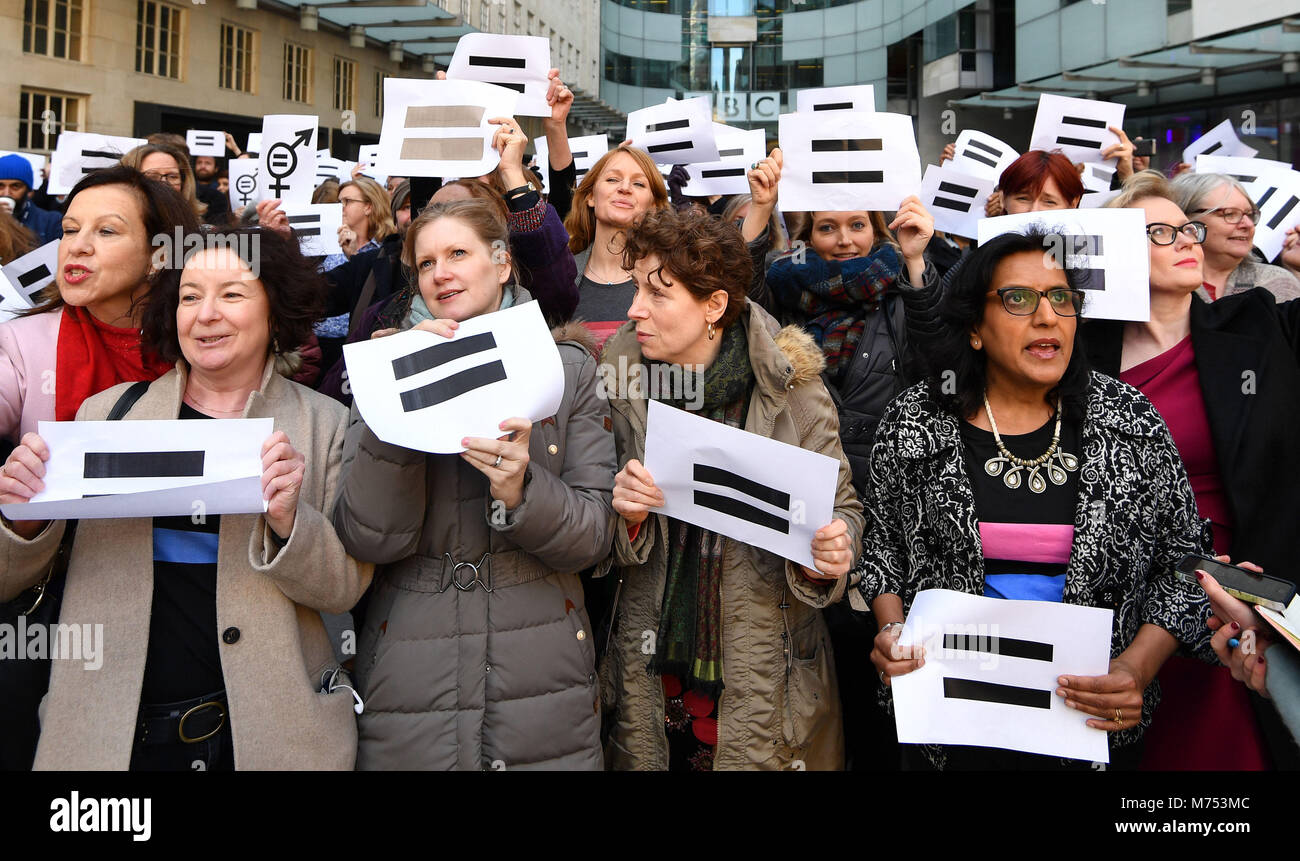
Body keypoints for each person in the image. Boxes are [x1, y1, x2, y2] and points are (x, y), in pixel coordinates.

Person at [0, 225, 370, 769]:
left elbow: (344, 590)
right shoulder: (104, 416)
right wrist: (23, 520)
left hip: (267, 737)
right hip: (112, 737)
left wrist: (291, 522)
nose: (206, 314)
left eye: (233, 294)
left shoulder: (326, 426)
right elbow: (12, 578)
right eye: (190, 296)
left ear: (276, 311)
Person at [856, 228, 1214, 770]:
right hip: (949, 730)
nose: (1046, 317)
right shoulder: (918, 421)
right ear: (975, 328)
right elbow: (883, 552)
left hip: (1089, 727)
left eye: (1061, 299)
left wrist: (1135, 670)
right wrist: (890, 630)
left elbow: (1185, 563)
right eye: (1019, 299)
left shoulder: (1129, 421)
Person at [331, 198, 616, 770]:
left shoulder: (568, 368)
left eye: (458, 253)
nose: (441, 273)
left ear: (503, 263)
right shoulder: (384, 364)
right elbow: (369, 539)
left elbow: (593, 539)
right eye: (426, 262)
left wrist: (523, 493)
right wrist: (397, 399)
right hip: (412, 665)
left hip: (542, 664)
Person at [599, 208, 864, 770]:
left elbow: (842, 510)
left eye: (658, 293)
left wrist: (830, 554)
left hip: (762, 672)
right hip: (652, 672)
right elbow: (587, 528)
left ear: (713, 306)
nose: (634, 309)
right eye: (634, 288)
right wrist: (624, 516)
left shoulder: (792, 386)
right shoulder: (618, 381)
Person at [1085, 171, 1300, 769]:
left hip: (1240, 591)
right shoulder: (1078, 360)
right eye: (1159, 232)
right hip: (1126, 599)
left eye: (1187, 228)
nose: (1186, 239)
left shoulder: (1255, 324)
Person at [564, 145, 670, 346]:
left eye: (639, 184)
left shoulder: (669, 280)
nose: (624, 188)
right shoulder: (558, 279)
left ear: (653, 205)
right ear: (591, 196)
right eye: (612, 179)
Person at [1170, 172, 1300, 302]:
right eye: (1230, 214)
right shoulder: (1159, 283)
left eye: (1250, 214)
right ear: (1186, 219)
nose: (1248, 224)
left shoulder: (1278, 282)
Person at [121, 142, 209, 222]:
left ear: (184, 183)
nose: (164, 183)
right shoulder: (113, 229)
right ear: (130, 181)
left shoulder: (203, 234)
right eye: (153, 176)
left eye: (172, 177)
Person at [0, 154, 61, 244]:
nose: (6, 193)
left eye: (15, 186)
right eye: (0, 186)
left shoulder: (50, 222)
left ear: (29, 190)